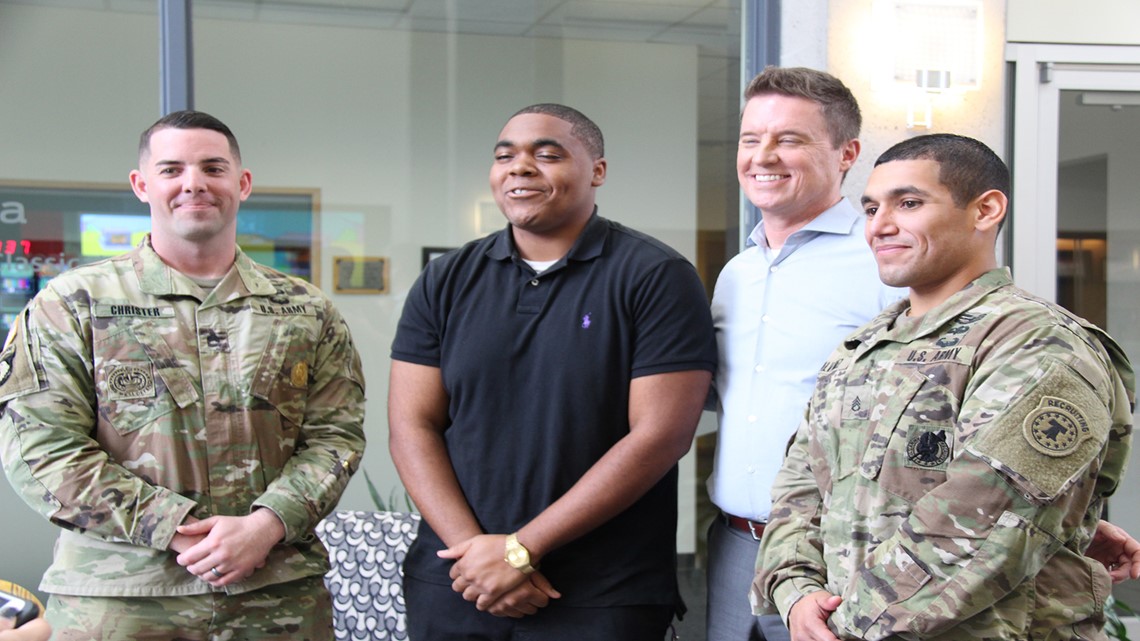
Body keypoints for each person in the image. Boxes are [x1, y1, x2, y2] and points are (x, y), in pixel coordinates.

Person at [706, 66, 1140, 641]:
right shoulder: (864, 347)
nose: (880, 226)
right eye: (870, 209)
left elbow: (982, 528)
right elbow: (801, 485)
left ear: (985, 210)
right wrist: (796, 594)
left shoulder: (1041, 346)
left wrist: (840, 622)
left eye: (908, 203)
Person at [0, 110, 366, 639]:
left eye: (213, 168)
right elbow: (41, 448)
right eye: (171, 169)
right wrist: (172, 527)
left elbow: (336, 438)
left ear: (242, 183)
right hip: (123, 600)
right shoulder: (72, 303)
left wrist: (266, 525)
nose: (194, 183)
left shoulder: (305, 309)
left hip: (276, 596)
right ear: (141, 185)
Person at [388, 103, 717, 640]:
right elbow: (411, 426)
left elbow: (659, 436)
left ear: (597, 171)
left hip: (600, 593)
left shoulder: (656, 276)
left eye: (547, 154)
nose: (519, 167)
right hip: (458, 582)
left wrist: (521, 550)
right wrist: (478, 557)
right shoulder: (444, 279)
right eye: (504, 156)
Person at [706, 66, 903, 641]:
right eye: (751, 139)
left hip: (839, 556)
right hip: (733, 546)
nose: (762, 156)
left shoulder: (885, 263)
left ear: (847, 154)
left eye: (789, 139)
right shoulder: (737, 273)